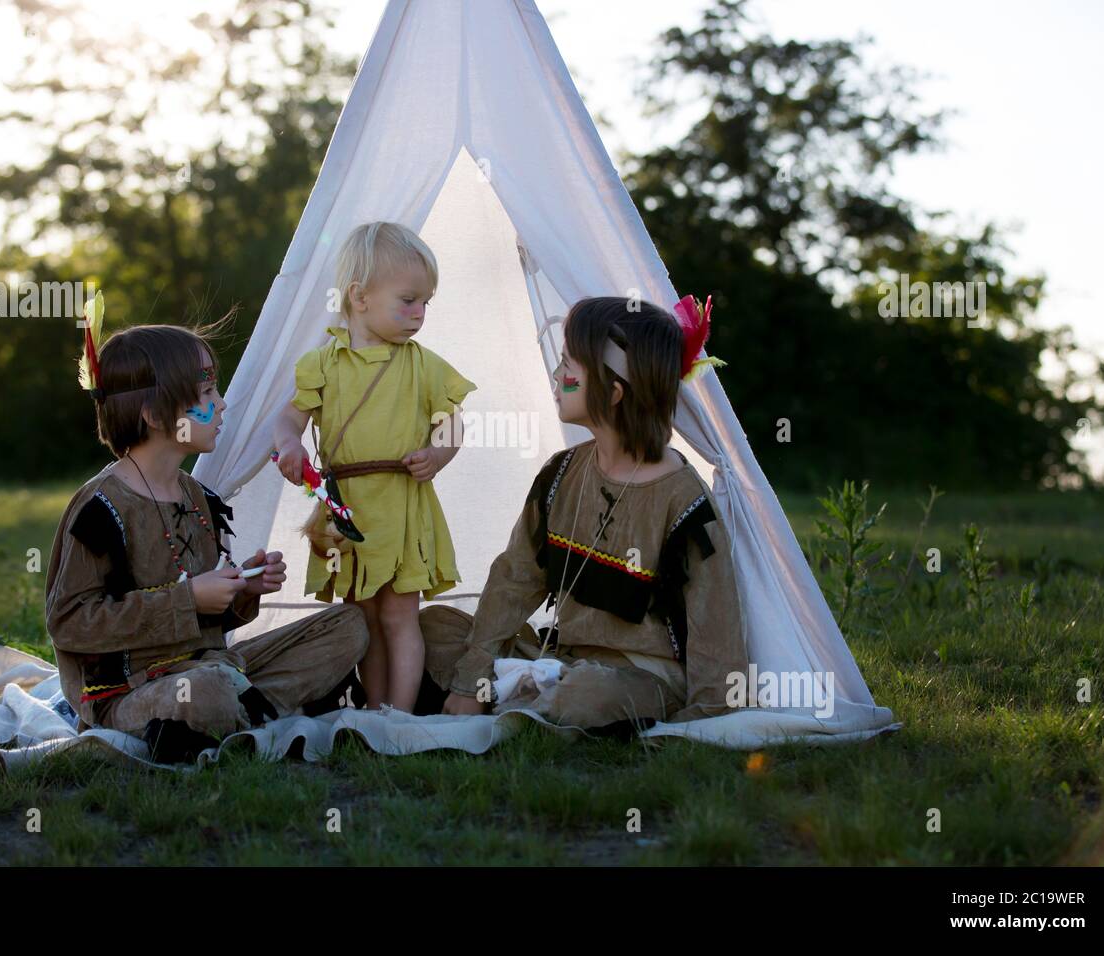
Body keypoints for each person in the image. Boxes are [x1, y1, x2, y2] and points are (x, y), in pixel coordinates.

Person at [45, 295, 369, 763]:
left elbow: (215, 619)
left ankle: (238, 716)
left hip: (218, 664)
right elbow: (68, 623)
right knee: (207, 693)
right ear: (155, 416)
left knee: (349, 626)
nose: (221, 405)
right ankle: (244, 715)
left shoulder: (197, 496)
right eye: (205, 395)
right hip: (132, 690)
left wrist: (242, 589)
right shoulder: (101, 509)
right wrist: (187, 598)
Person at [427, 294, 748, 733]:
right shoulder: (561, 473)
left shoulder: (683, 502)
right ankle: (506, 697)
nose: (557, 376)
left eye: (569, 368)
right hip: (560, 658)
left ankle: (518, 703)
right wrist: (470, 678)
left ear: (613, 392)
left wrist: (703, 720)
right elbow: (515, 580)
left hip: (640, 677)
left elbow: (717, 630)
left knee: (587, 694)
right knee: (433, 628)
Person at [272, 222, 476, 714]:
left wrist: (438, 453)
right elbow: (289, 417)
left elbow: (452, 422)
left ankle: (400, 716)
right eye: (408, 300)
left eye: (426, 302)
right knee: (363, 616)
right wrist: (288, 446)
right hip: (349, 510)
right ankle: (374, 708)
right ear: (360, 297)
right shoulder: (322, 364)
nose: (419, 313)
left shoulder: (423, 365)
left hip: (402, 505)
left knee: (400, 615)